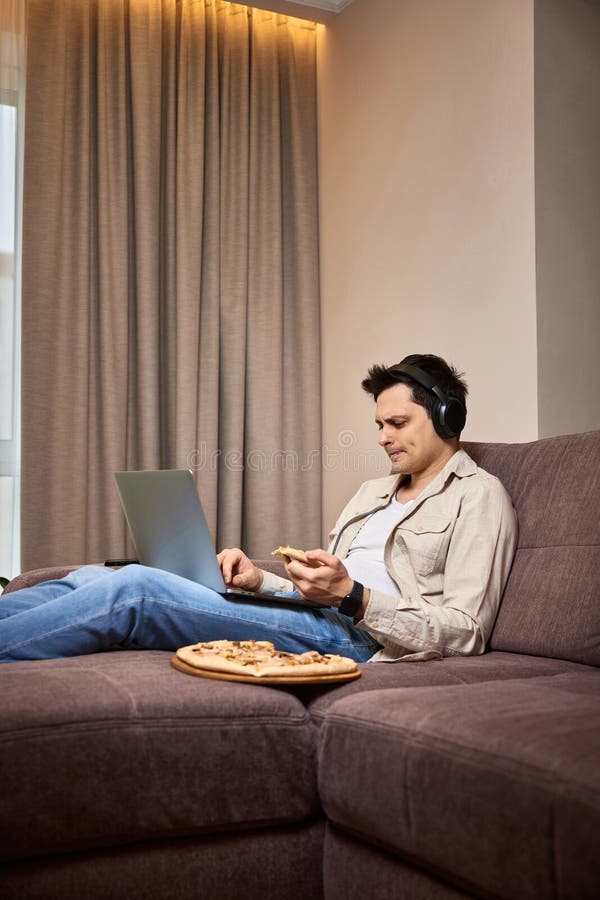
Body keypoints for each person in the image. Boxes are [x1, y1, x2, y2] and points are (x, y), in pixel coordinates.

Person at [0, 354, 517, 663]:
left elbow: (466, 633)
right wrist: (261, 582)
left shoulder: (478, 495)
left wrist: (353, 597)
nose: (383, 437)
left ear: (447, 418)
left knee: (134, 591)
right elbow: (323, 589)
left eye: (397, 424)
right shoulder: (371, 493)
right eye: (379, 425)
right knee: (94, 576)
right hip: (321, 616)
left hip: (361, 641)